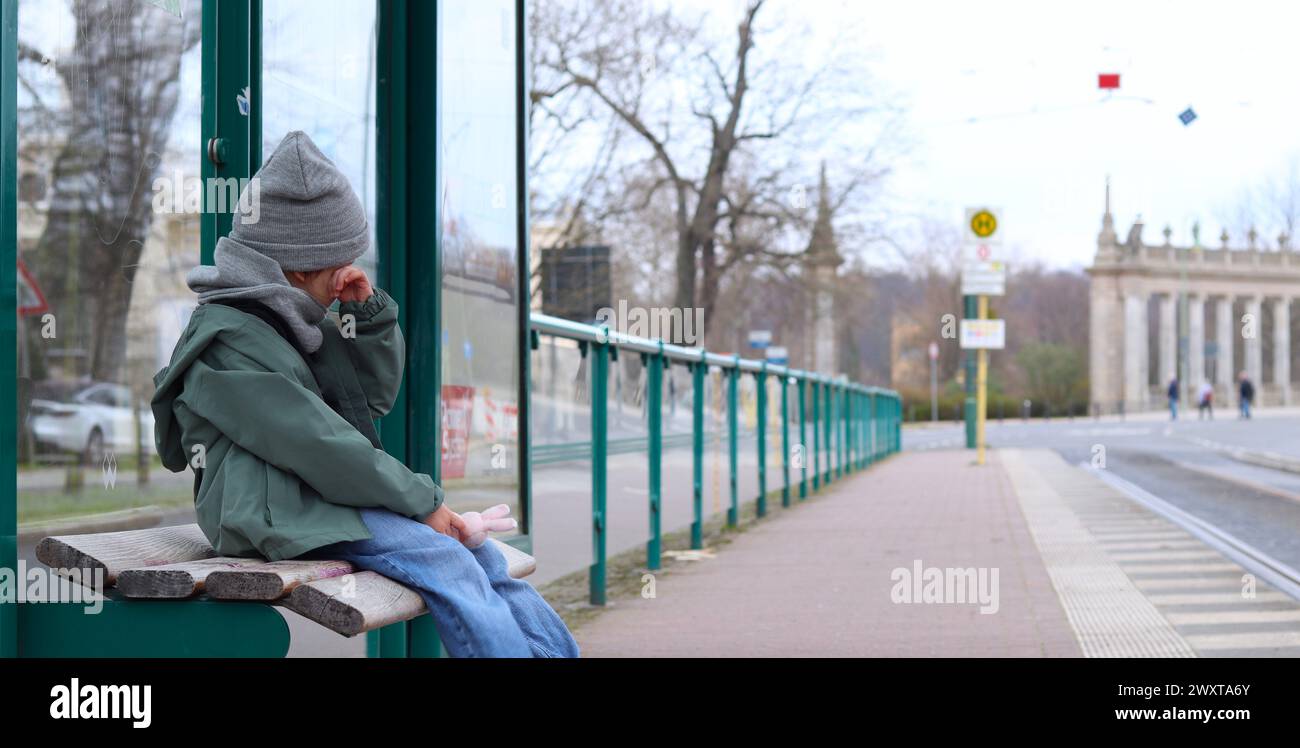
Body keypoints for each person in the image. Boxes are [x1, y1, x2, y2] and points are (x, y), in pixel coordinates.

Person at [151, 131, 578, 658]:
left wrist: (367, 317)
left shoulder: (291, 322)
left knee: (480, 555)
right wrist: (423, 502)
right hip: (269, 512)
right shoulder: (229, 341)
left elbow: (366, 403)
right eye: (339, 265)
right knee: (445, 559)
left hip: (313, 501)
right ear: (301, 267)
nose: (346, 277)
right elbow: (318, 444)